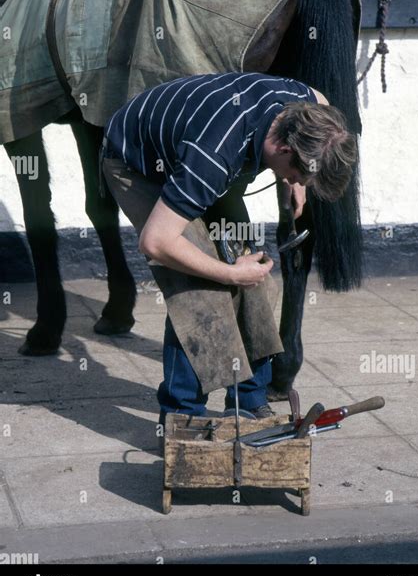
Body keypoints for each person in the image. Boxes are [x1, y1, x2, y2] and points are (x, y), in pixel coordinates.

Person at [101, 72, 356, 426]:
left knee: (260, 281)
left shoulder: (302, 104)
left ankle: (249, 403)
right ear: (285, 149)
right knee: (199, 290)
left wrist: (298, 181)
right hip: (138, 163)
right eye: (298, 174)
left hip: (200, 150)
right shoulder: (214, 155)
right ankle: (182, 416)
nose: (298, 182)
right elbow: (156, 242)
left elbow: (321, 98)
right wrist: (230, 272)